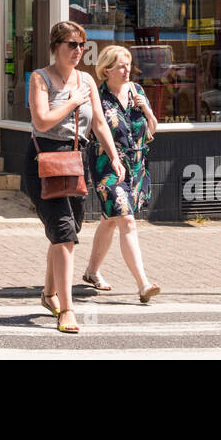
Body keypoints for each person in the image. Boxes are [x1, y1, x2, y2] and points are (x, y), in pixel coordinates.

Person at [26, 20, 123, 334]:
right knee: (65, 232)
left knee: (71, 226)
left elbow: (99, 124)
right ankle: (66, 310)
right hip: (44, 159)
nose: (78, 51)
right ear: (55, 47)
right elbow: (41, 121)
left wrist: (114, 155)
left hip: (76, 157)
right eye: (71, 44)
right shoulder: (40, 79)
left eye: (81, 45)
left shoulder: (86, 81)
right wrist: (70, 103)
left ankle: (48, 293)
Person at [81, 45, 161, 303]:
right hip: (108, 165)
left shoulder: (137, 91)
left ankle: (92, 271)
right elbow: (94, 129)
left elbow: (153, 128)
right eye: (121, 66)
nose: (127, 70)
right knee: (126, 219)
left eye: (128, 64)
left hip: (136, 165)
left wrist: (146, 110)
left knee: (110, 219)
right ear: (107, 70)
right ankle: (143, 284)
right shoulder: (98, 97)